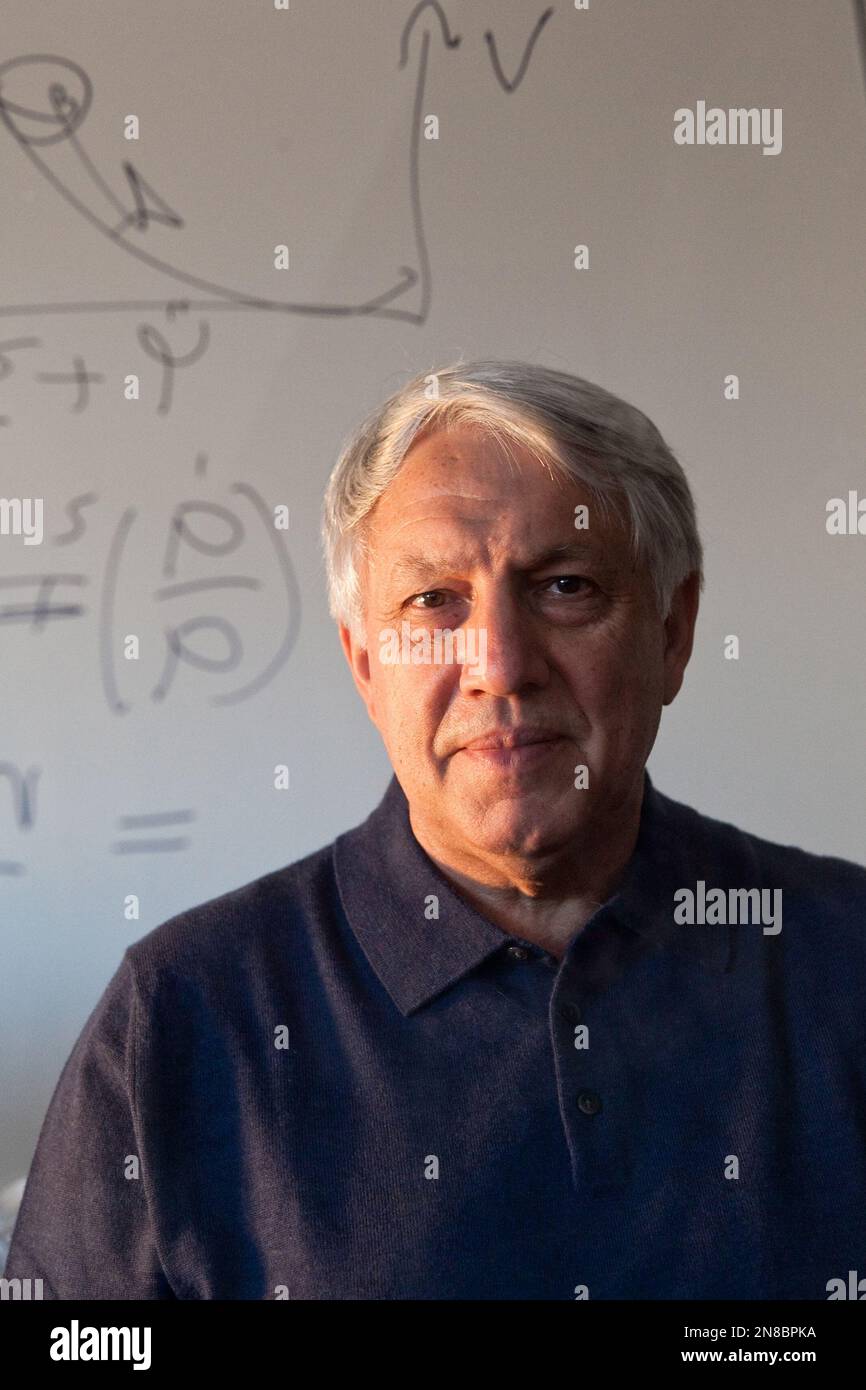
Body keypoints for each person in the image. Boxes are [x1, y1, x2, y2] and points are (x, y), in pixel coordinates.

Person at [6, 360, 866, 1299]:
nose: (499, 663)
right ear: (365, 662)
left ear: (673, 632)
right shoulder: (179, 1018)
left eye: (567, 586)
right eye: (432, 602)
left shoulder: (844, 955)